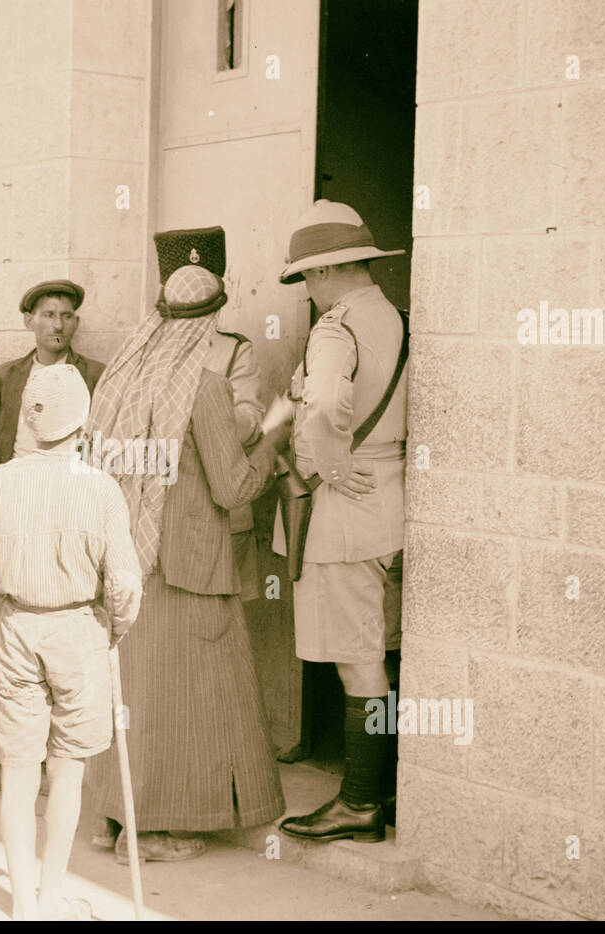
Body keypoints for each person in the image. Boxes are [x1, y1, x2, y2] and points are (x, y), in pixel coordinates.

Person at [82, 264, 291, 864]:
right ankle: (155, 831)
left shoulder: (120, 380)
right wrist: (276, 431)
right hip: (188, 564)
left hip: (128, 558)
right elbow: (231, 487)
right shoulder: (203, 387)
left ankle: (113, 818)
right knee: (182, 696)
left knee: (133, 691)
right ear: (213, 320)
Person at [0, 365, 142, 920]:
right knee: (68, 770)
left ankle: (21, 903)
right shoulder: (102, 488)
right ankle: (52, 896)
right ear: (84, 425)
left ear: (29, 423)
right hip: (80, 631)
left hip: (15, 628)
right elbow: (125, 583)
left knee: (17, 771)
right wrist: (117, 627)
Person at [274, 200, 408, 843]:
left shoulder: (335, 328)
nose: (307, 290)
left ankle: (359, 802)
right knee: (378, 651)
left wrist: (327, 464)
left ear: (324, 273)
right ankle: (381, 790)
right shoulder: (395, 319)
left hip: (349, 506)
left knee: (358, 664)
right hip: (391, 497)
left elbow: (325, 401)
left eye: (305, 278)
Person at [155, 227, 266, 599]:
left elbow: (249, 419)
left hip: (222, 514)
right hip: (161, 513)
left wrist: (206, 423)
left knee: (223, 617)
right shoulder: (146, 351)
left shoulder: (234, 350)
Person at [0, 281, 103, 472]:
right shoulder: (5, 376)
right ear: (29, 321)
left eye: (67, 316)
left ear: (76, 322)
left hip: (71, 484)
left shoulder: (95, 375)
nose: (58, 326)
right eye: (49, 315)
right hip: (17, 483)